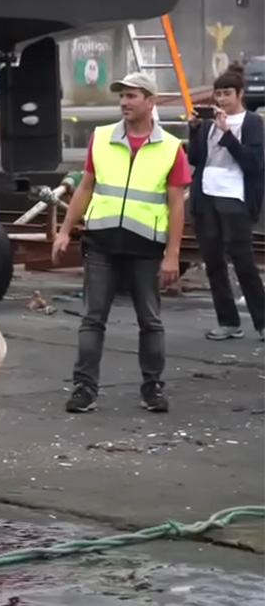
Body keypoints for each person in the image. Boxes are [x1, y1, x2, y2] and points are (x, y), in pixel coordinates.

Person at [52, 71, 191, 414]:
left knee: (150, 321)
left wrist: (172, 255)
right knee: (92, 318)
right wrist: (65, 230)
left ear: (150, 101)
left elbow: (176, 206)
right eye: (122, 96)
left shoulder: (170, 148)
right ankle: (84, 388)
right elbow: (86, 187)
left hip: (146, 248)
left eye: (131, 96)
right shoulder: (101, 138)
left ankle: (152, 388)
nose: (124, 103)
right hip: (101, 244)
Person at [186, 63, 265, 341]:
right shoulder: (209, 123)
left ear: (240, 94)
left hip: (235, 195)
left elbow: (253, 163)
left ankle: (262, 321)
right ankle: (228, 322)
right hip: (206, 195)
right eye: (218, 94)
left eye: (227, 93)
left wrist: (228, 135)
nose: (221, 99)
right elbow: (195, 158)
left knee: (243, 260)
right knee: (213, 260)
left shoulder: (251, 122)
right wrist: (194, 130)